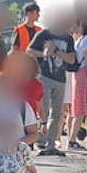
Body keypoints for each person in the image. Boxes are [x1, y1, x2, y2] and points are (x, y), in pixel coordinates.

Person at [26, 16, 74, 153]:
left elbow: (71, 59)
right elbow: (29, 51)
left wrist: (56, 51)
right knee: (43, 110)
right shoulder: (43, 35)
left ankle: (51, 143)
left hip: (60, 79)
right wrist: (44, 54)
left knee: (57, 113)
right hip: (44, 77)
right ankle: (40, 141)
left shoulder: (68, 38)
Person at [65, 19, 87, 150]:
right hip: (86, 75)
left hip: (80, 75)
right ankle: (72, 140)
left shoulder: (80, 40)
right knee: (82, 108)